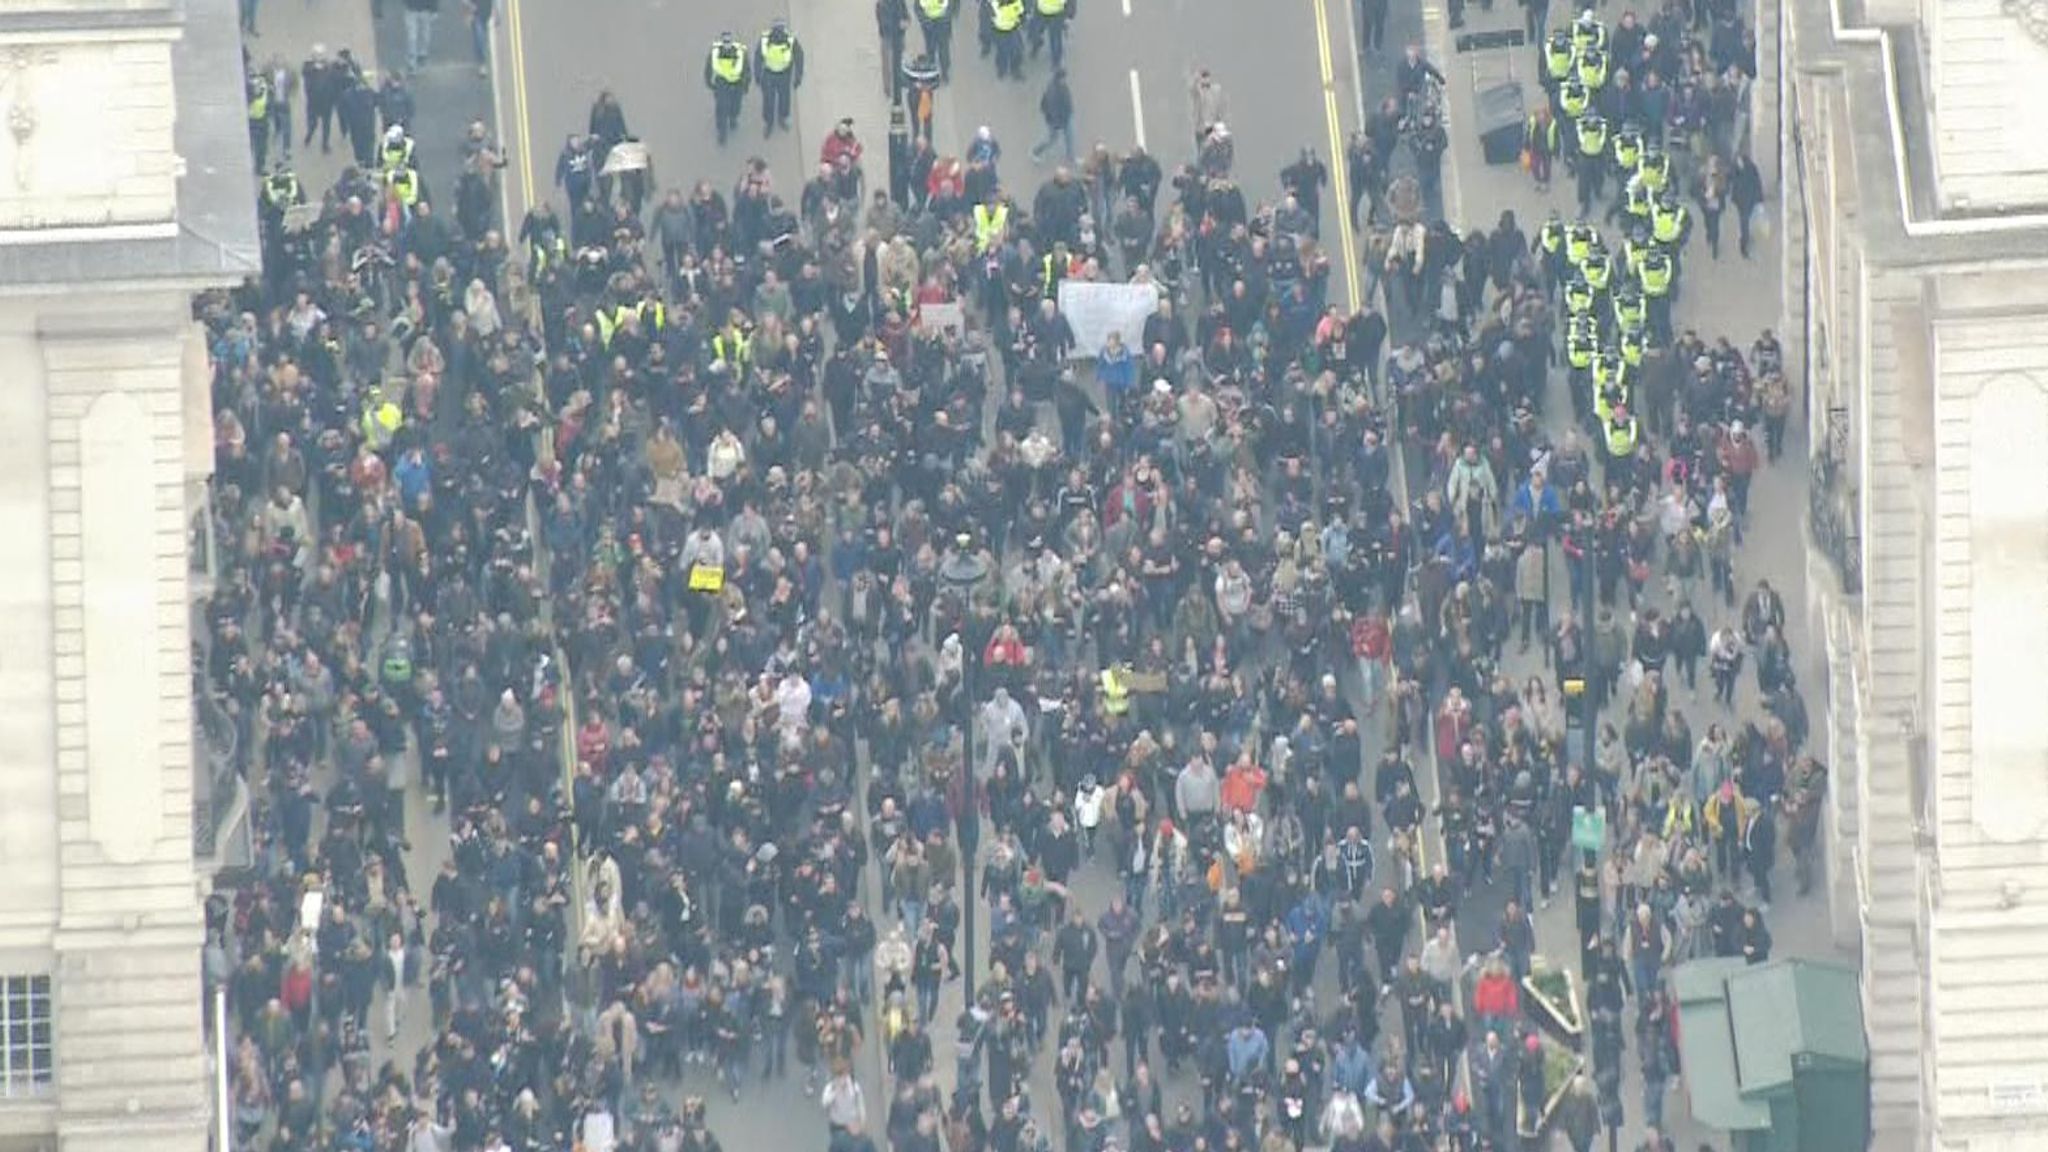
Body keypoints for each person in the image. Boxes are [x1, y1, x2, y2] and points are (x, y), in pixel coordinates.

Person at [757, 18, 805, 136]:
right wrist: (758, 74)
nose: (779, 32)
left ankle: (782, 118)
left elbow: (799, 57)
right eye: (777, 29)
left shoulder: (790, 39)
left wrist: (798, 76)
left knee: (784, 99)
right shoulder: (765, 39)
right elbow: (758, 57)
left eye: (781, 29)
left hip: (784, 74)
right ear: (773, 29)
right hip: (769, 74)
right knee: (768, 100)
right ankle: (769, 123)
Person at [704, 31, 751, 146]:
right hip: (722, 84)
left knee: (736, 106)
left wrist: (746, 84)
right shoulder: (715, 52)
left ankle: (733, 118)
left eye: (728, 42)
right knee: (721, 108)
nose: (726, 44)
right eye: (724, 42)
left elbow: (747, 69)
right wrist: (709, 83)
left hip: (737, 83)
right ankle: (722, 132)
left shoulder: (741, 52)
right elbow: (708, 69)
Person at [1030, 69, 1074, 166]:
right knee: (1052, 139)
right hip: (1057, 120)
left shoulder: (1060, 86)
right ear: (1059, 78)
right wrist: (1059, 124)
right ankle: (1035, 152)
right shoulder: (1054, 91)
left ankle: (1071, 158)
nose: (1065, 80)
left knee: (1069, 137)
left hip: (1065, 117)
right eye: (1063, 78)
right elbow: (1053, 109)